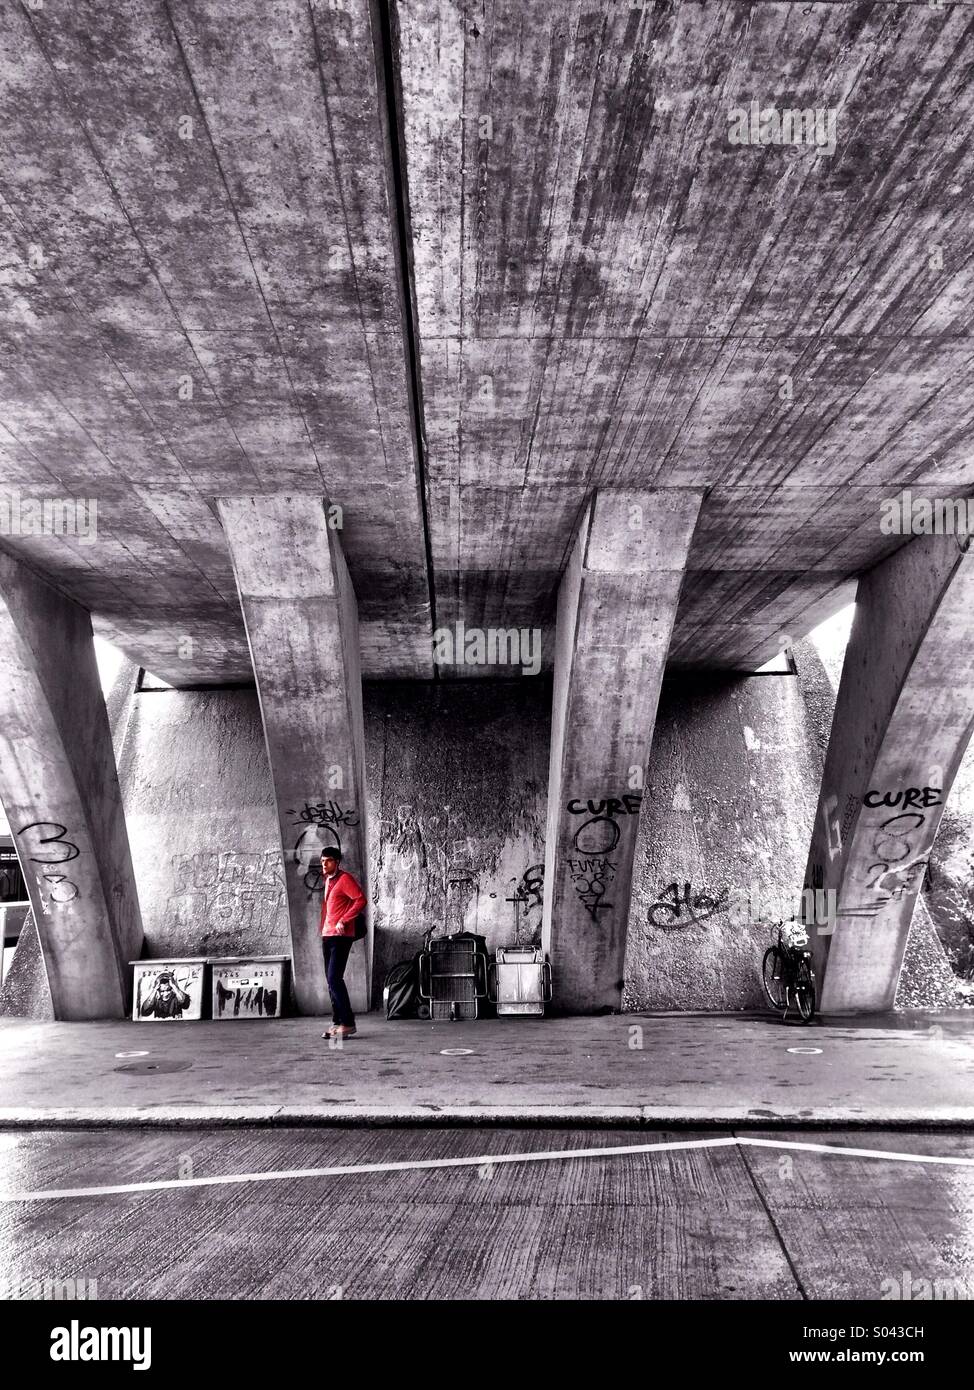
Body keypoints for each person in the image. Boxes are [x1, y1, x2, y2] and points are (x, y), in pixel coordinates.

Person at [319, 846, 367, 1039]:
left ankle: (348, 1023)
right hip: (328, 935)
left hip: (340, 937)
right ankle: (338, 1022)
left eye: (328, 860)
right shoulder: (328, 880)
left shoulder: (345, 879)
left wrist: (344, 920)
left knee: (334, 979)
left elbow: (360, 900)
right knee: (330, 982)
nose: (324, 864)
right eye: (322, 860)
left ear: (337, 862)